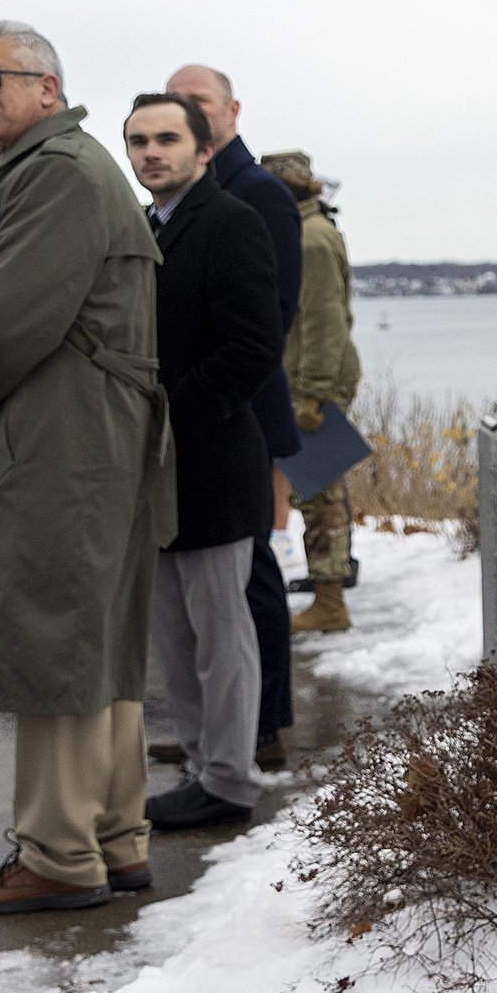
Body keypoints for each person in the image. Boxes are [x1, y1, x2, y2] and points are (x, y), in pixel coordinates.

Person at [0, 19, 171, 915]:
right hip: (86, 438)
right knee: (96, 639)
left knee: (56, 639)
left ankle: (60, 853)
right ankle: (112, 838)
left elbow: (2, 323)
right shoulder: (70, 168)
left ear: (48, 90)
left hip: (64, 442)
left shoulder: (57, 172)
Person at [126, 91, 281, 832]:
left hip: (212, 461)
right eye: (138, 141)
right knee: (174, 634)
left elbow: (252, 351)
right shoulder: (140, 227)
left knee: (222, 636)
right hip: (150, 471)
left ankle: (229, 777)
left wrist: (163, 410)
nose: (151, 152)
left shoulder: (231, 223)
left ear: (203, 149)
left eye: (166, 138)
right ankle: (198, 765)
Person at [166, 64, 302, 765]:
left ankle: (262, 727)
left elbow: (267, 319)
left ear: (231, 111)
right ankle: (225, 727)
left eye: (200, 103)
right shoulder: (190, 193)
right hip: (204, 416)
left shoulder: (257, 194)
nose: (190, 112)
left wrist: (206, 395)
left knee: (250, 576)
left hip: (236, 413)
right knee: (216, 589)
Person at [261, 150, 363, 634]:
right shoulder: (307, 231)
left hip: (312, 382)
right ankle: (329, 594)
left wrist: (313, 394)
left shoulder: (310, 239)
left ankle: (330, 602)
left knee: (318, 491)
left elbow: (325, 321)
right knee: (319, 487)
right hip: (304, 377)